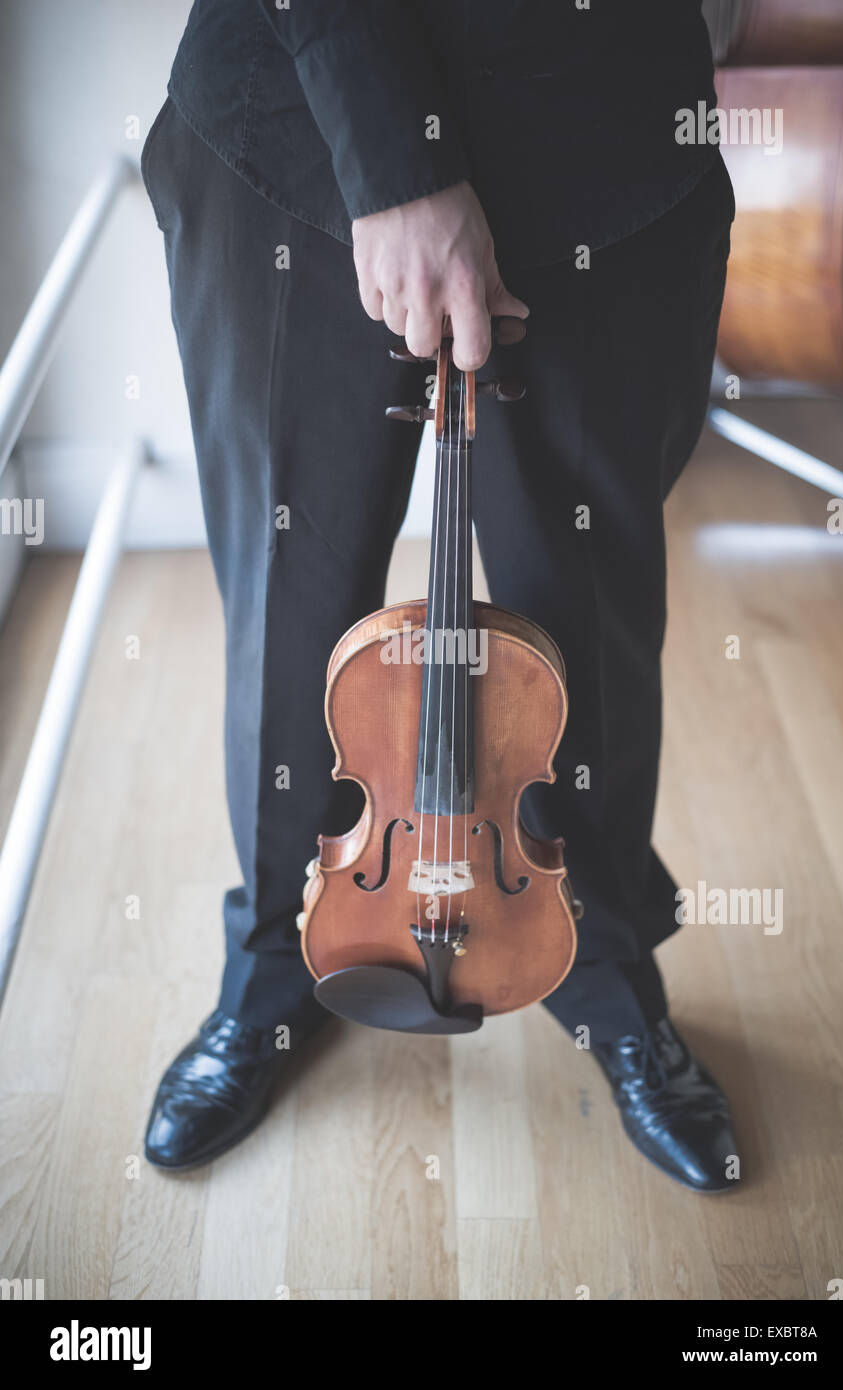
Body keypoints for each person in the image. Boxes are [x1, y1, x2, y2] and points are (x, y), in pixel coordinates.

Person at [141, 0, 738, 1191]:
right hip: (300, 140)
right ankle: (274, 965)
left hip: (601, 147)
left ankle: (605, 971)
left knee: (590, 622)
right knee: (289, 606)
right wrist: (397, 169)